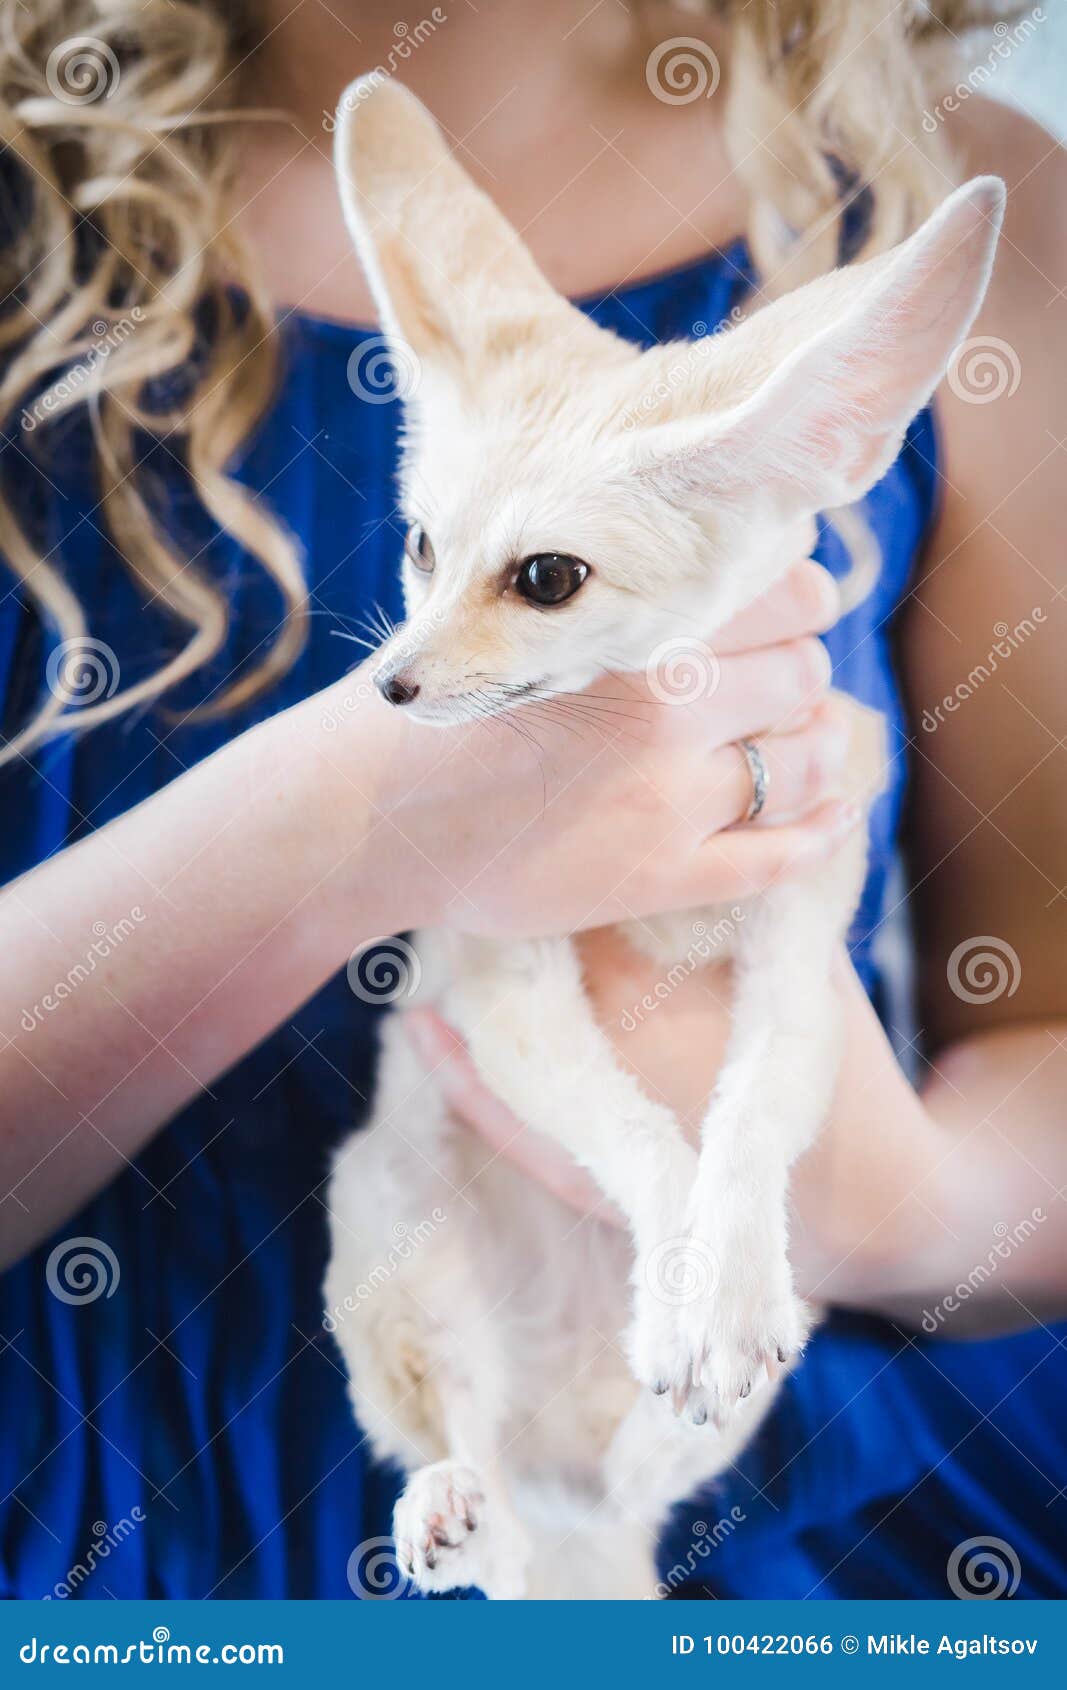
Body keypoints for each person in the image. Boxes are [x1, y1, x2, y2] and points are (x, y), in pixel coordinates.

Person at [1, 1, 1064, 1600]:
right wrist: (360, 822)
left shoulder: (973, 207)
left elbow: (1040, 1033)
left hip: (734, 1494)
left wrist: (892, 1203)